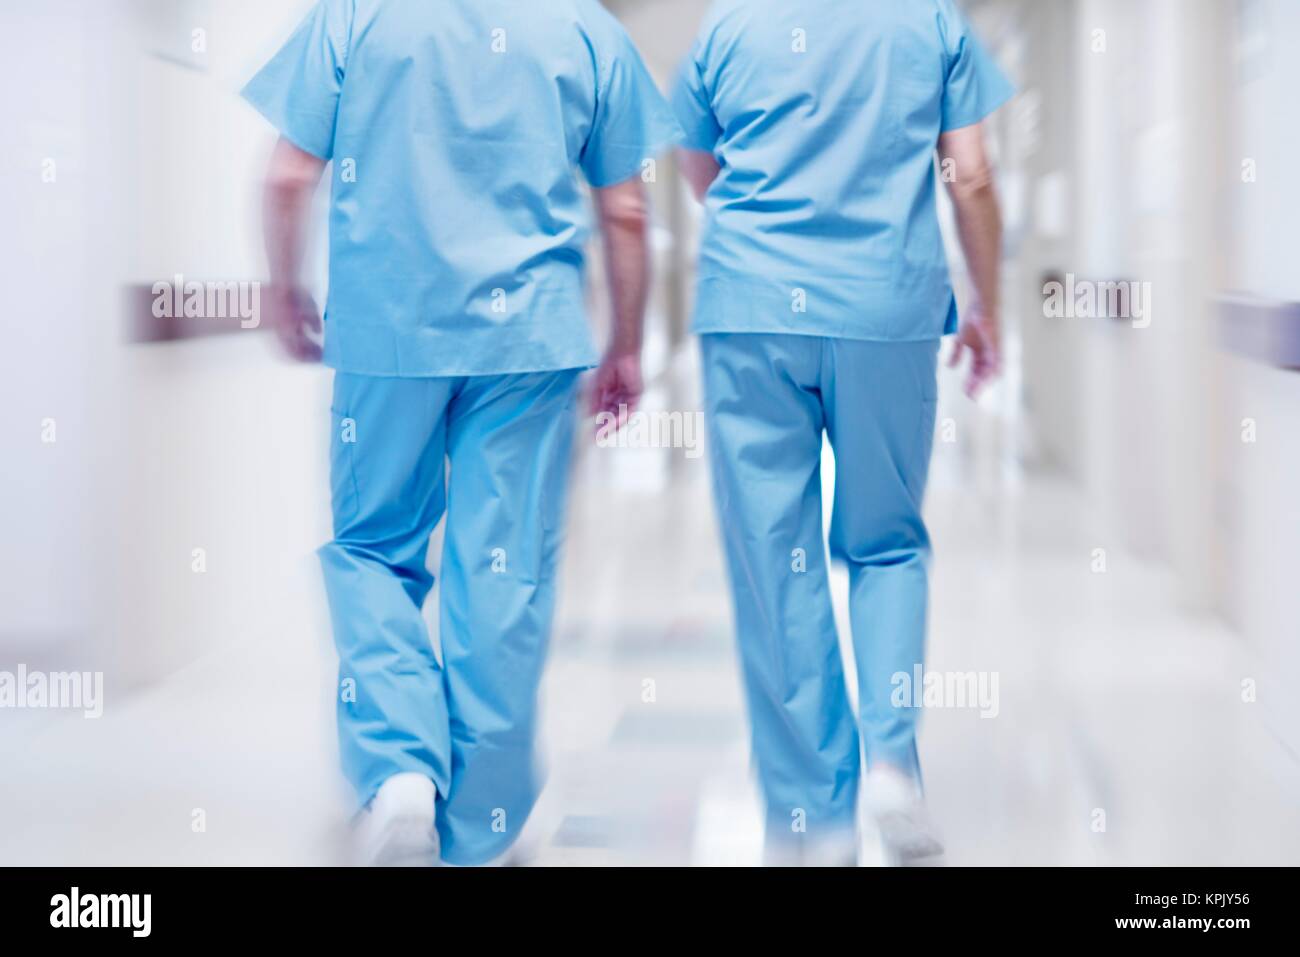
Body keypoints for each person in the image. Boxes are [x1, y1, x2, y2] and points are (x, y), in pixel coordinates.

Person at [242, 0, 680, 866]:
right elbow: (626, 212)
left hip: (387, 331)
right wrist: (627, 341)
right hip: (529, 341)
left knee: (373, 550)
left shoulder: (357, 15)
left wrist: (283, 288)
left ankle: (402, 771)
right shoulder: (586, 29)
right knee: (502, 571)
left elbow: (289, 176)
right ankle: (479, 826)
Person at [672, 0, 1013, 865]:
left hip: (749, 307)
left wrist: (772, 231)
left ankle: (813, 816)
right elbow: (969, 175)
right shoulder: (932, 23)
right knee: (886, 541)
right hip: (886, 304)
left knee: (772, 551)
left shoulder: (724, 27)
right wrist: (988, 308)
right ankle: (892, 762)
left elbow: (698, 167)